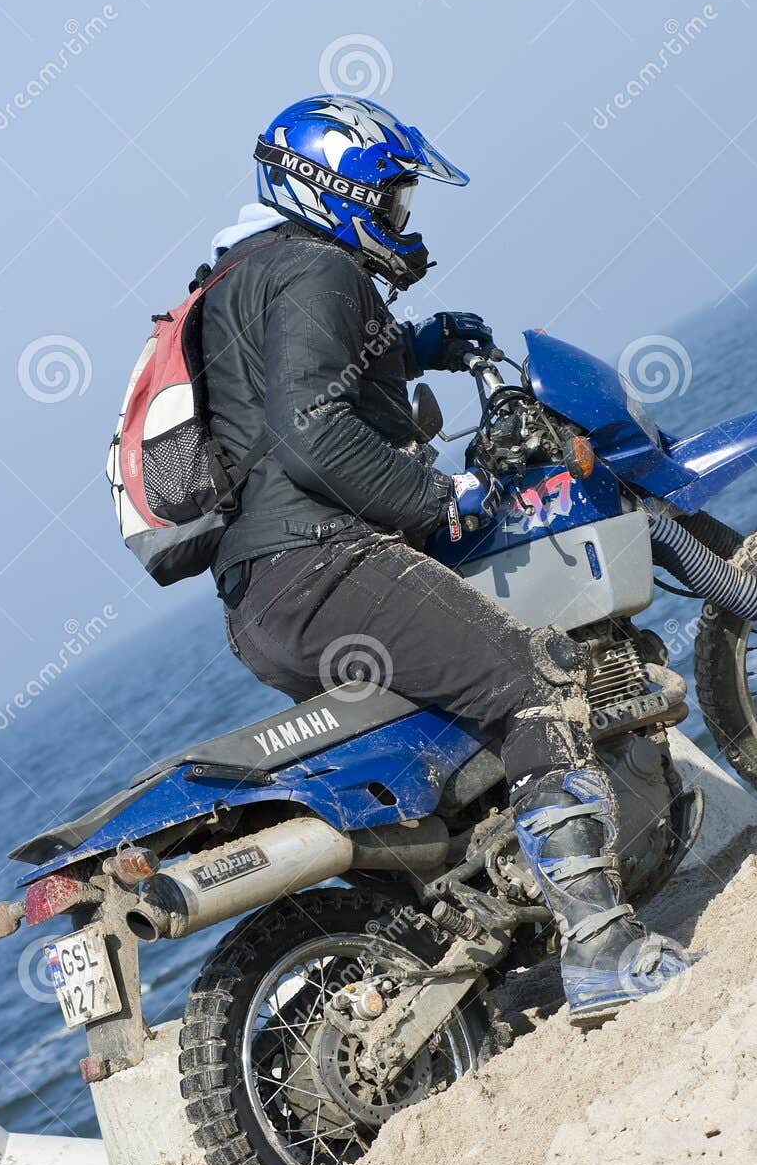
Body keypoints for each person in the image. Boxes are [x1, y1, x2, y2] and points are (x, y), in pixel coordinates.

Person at [202, 93, 690, 1025]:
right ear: (335, 187)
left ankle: (491, 927)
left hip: (265, 596)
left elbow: (286, 384)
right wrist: (437, 496)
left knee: (460, 728)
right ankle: (603, 953)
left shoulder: (246, 271)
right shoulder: (316, 269)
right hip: (324, 564)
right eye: (390, 196)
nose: (400, 217)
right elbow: (310, 433)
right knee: (537, 681)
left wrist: (421, 343)